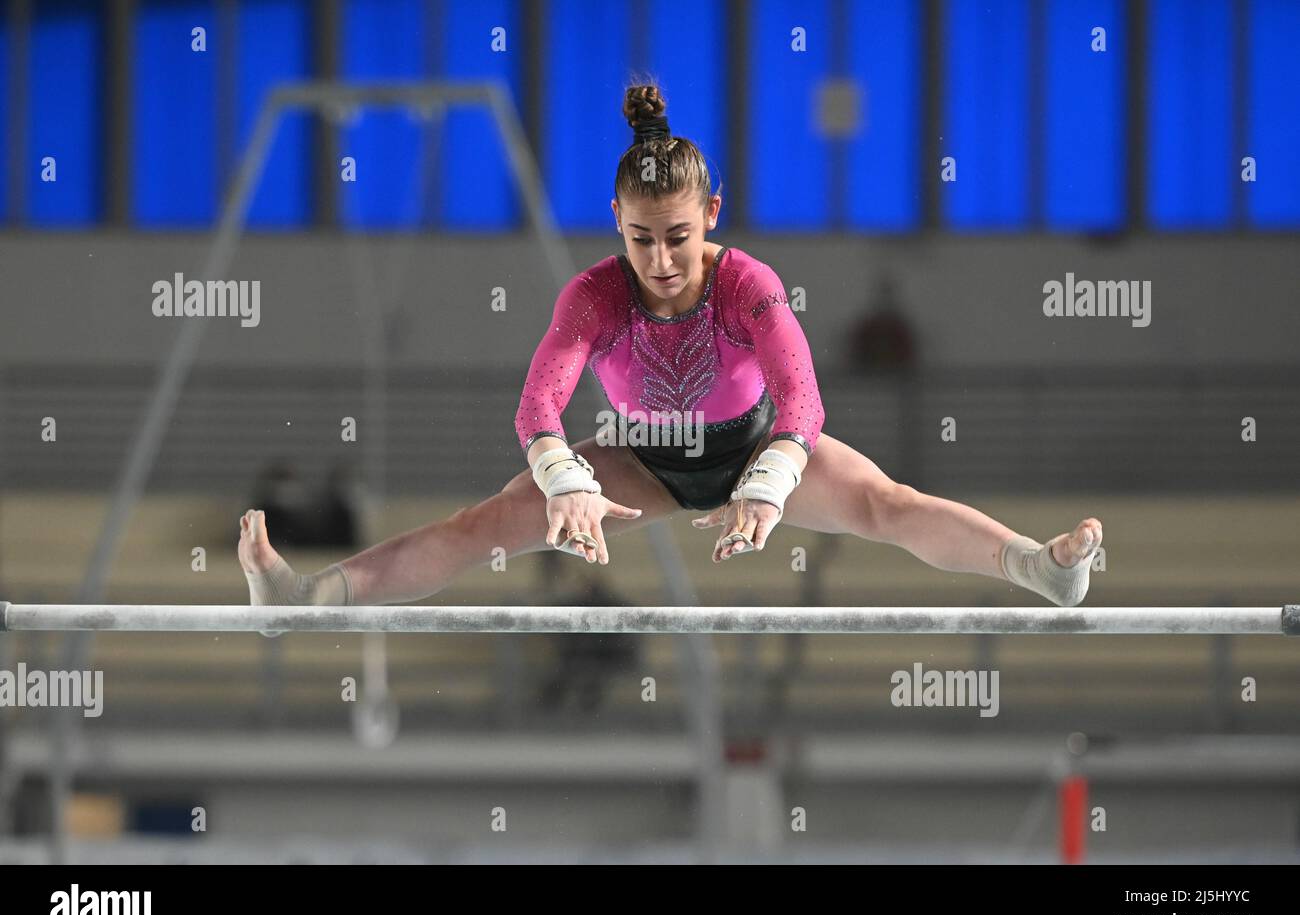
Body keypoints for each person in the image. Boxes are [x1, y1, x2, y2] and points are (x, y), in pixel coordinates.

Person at [240, 82, 1101, 618]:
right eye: (642, 237)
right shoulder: (593, 297)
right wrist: (567, 482)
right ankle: (310, 599)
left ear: (712, 216)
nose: (660, 261)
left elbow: (802, 403)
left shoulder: (748, 287)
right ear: (616, 220)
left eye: (679, 238)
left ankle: (1039, 570)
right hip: (639, 466)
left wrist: (769, 486)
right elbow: (537, 407)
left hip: (757, 447)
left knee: (885, 502)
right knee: (483, 525)